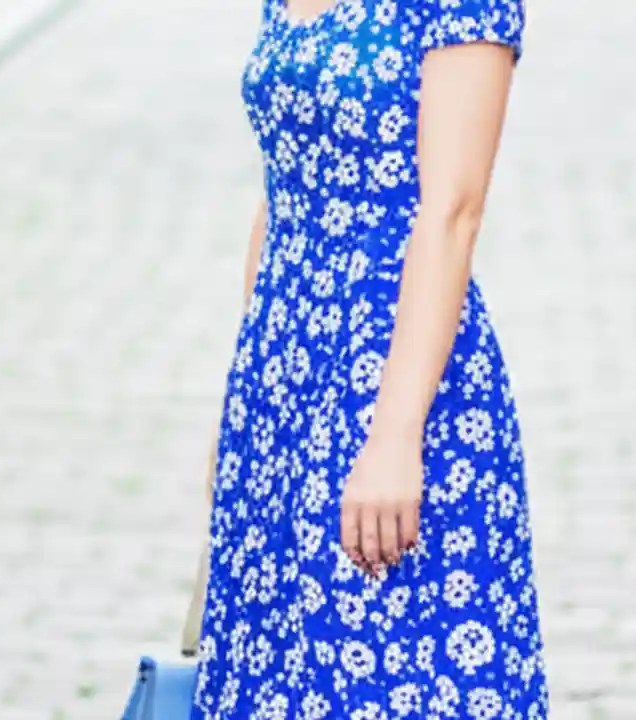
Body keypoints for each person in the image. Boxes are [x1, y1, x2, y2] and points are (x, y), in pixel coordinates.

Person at [192, 0, 548, 716]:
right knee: (273, 674)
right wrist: (243, 406)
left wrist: (393, 436)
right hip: (282, 374)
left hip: (394, 370)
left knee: (392, 668)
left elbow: (452, 213)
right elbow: (278, 193)